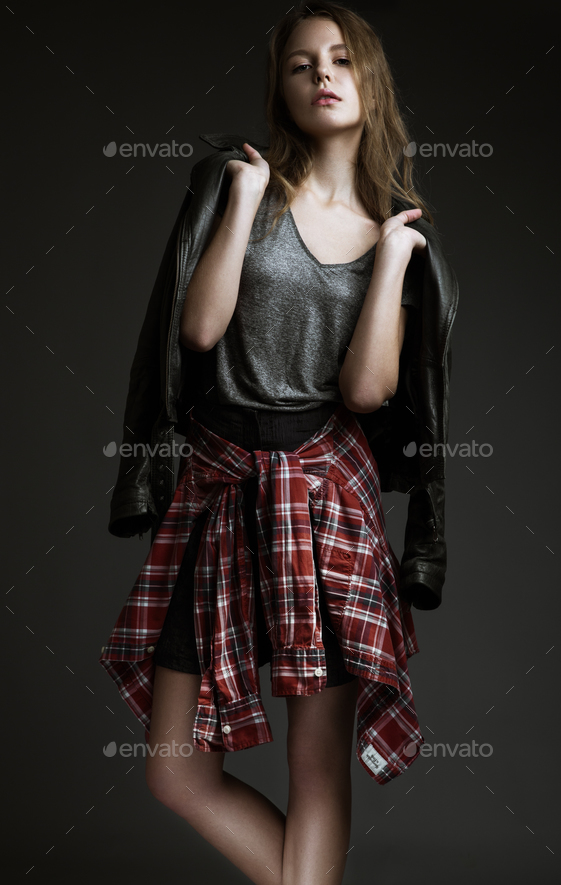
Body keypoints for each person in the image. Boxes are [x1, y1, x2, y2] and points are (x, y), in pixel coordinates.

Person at [102, 3, 443, 884]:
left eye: (339, 59)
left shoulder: (396, 236)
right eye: (301, 63)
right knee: (176, 770)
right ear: (281, 88)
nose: (322, 73)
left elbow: (367, 392)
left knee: (318, 767)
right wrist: (242, 199)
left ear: (367, 80)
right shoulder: (241, 186)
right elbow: (201, 328)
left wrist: (395, 260)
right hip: (219, 485)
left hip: (325, 498)